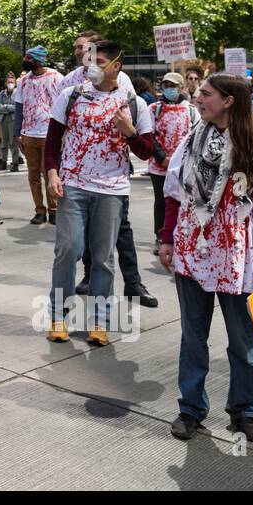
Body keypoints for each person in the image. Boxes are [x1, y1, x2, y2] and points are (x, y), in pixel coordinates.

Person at [159, 73, 253, 443]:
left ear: (229, 100)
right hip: (192, 251)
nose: (197, 98)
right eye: (199, 93)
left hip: (237, 256)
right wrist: (167, 239)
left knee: (242, 342)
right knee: (193, 338)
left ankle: (244, 410)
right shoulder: (190, 141)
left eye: (206, 93)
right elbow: (173, 194)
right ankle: (191, 409)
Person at [44, 40, 153, 345]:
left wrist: (129, 131)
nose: (92, 66)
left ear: (117, 66)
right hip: (73, 185)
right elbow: (53, 141)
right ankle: (58, 317)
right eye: (90, 60)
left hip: (112, 189)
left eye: (100, 61)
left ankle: (99, 322)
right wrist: (52, 173)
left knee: (103, 258)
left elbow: (147, 152)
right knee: (68, 250)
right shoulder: (71, 95)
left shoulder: (133, 103)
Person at [149, 72, 200, 246]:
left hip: (184, 165)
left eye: (173, 86)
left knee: (182, 200)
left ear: (180, 88)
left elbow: (196, 136)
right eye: (166, 86)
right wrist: (162, 158)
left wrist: (181, 160)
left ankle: (182, 236)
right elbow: (149, 135)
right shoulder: (154, 109)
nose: (169, 89)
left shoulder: (191, 110)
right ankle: (161, 236)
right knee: (161, 202)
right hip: (159, 166)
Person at [16, 46, 63, 224]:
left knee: (49, 172)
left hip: (49, 134)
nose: (25, 60)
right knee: (33, 175)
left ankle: (54, 210)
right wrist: (16, 133)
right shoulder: (23, 81)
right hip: (29, 134)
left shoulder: (56, 77)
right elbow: (19, 107)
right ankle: (39, 210)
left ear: (37, 60)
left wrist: (63, 132)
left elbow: (64, 105)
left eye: (28, 58)